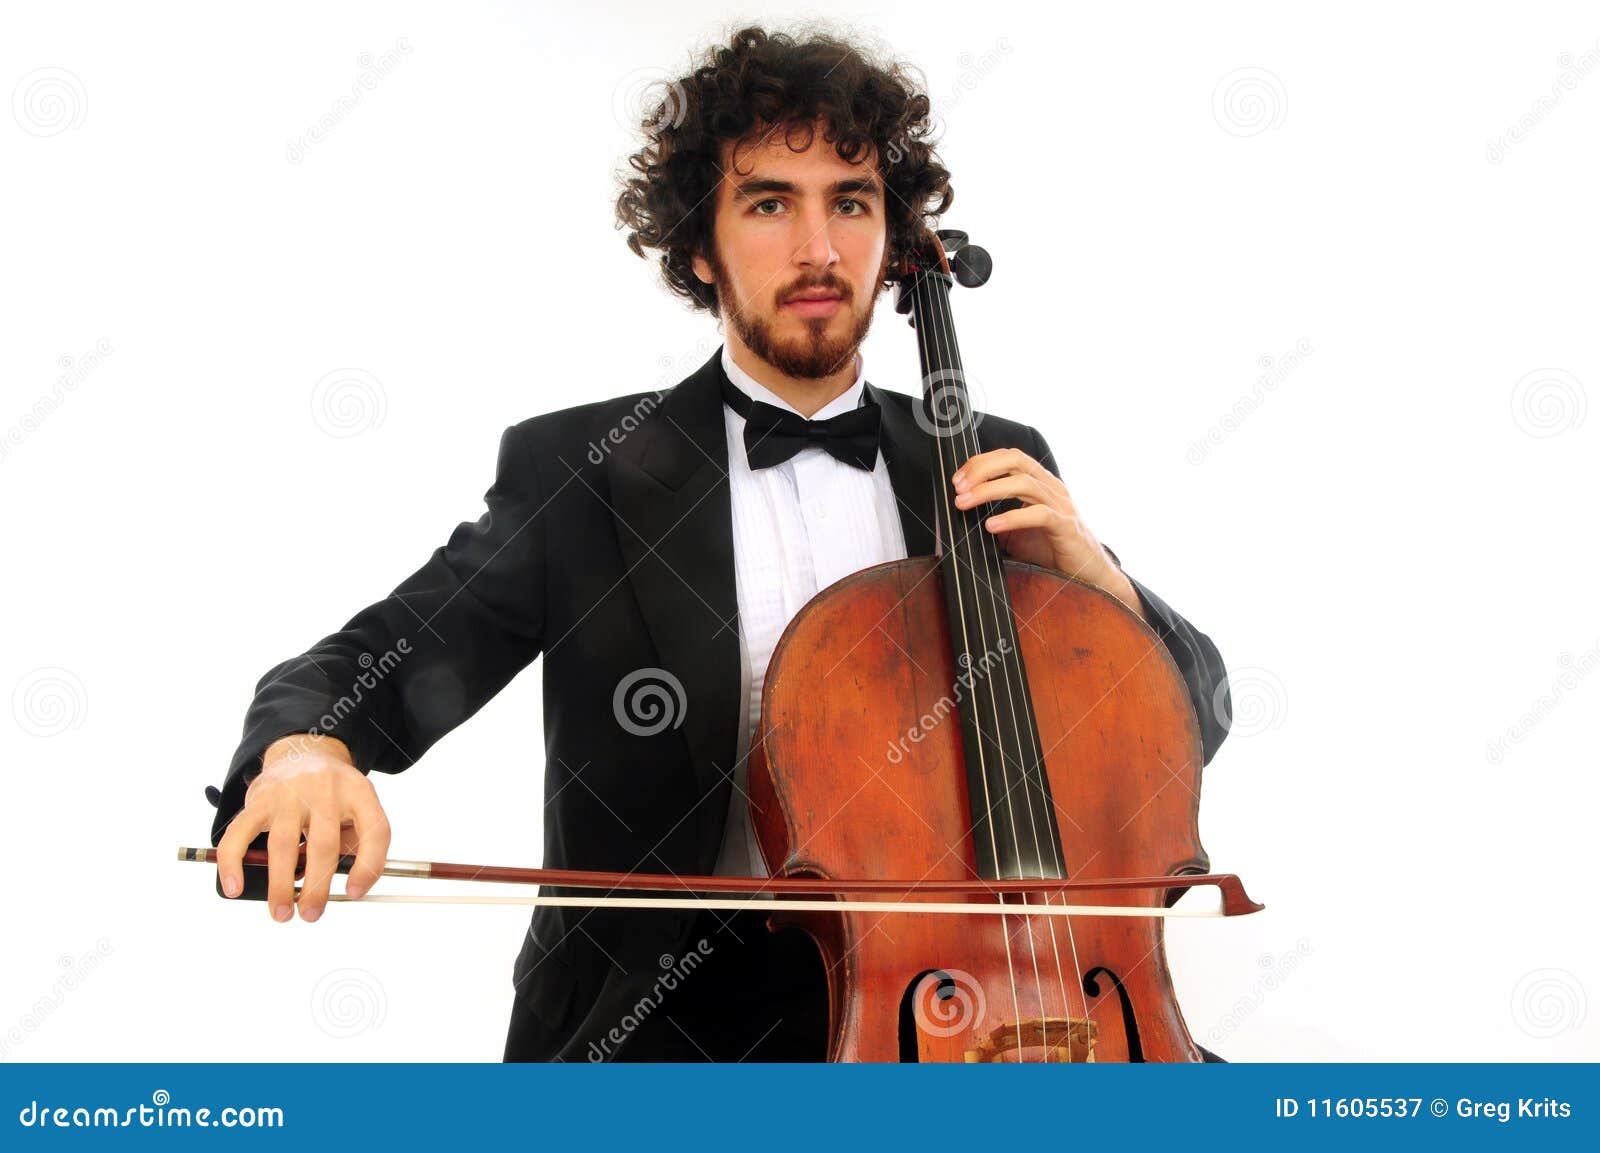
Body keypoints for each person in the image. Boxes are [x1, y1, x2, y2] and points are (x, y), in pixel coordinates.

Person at [208, 23, 1232, 1063]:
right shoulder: (584, 471)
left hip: (976, 1021)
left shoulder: (991, 464)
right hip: (659, 1040)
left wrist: (1101, 584)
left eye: (850, 201)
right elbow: (383, 660)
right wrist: (304, 752)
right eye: (768, 202)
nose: (820, 249)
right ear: (698, 245)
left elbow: (1182, 728)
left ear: (892, 240)